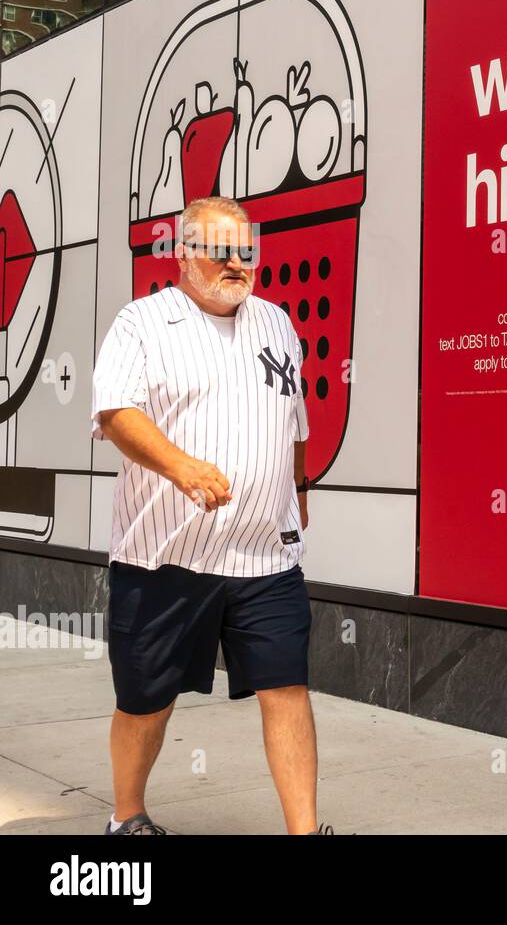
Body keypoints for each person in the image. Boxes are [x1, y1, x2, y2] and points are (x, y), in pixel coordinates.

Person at [90, 196, 332, 835]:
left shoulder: (277, 324)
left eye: (245, 251)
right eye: (221, 250)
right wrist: (182, 468)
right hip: (167, 556)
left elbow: (295, 423)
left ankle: (305, 833)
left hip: (264, 556)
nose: (236, 263)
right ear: (184, 255)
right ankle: (128, 816)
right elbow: (117, 412)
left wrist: (298, 490)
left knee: (286, 689)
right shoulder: (142, 323)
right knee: (146, 701)